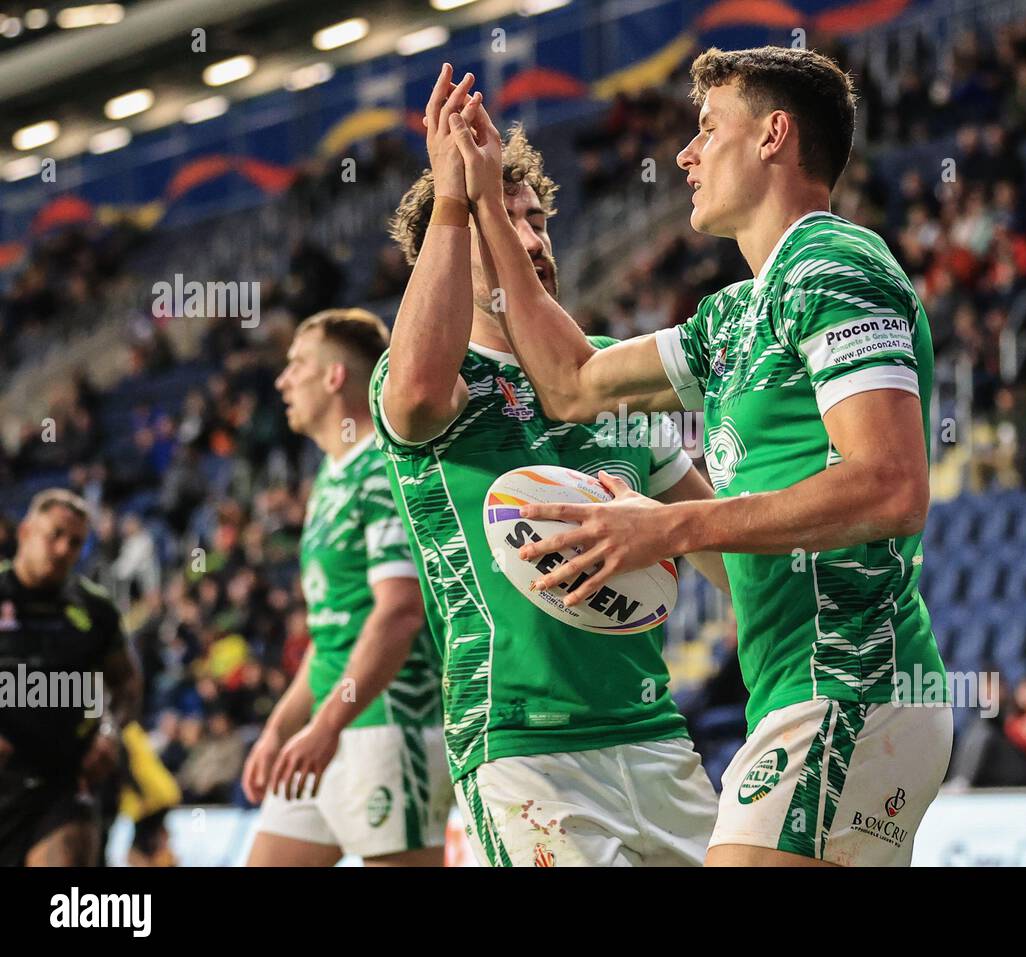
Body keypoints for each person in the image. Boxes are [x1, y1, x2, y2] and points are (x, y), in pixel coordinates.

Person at [448, 46, 951, 866]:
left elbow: (890, 487)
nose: (684, 153)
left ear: (774, 136)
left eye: (708, 128)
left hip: (851, 682)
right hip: (800, 690)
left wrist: (669, 526)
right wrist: (489, 214)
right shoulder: (734, 316)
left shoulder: (836, 267)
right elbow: (573, 383)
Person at [369, 65, 728, 867]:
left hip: (655, 733)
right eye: (509, 219)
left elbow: (720, 552)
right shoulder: (428, 382)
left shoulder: (609, 371)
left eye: (538, 221)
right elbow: (421, 389)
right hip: (522, 742)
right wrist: (460, 200)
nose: (531, 239)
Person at [242, 309, 453, 866]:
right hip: (329, 730)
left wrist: (327, 725)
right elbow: (332, 631)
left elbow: (399, 614)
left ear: (335, 377)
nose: (283, 380)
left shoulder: (383, 471)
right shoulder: (332, 479)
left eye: (297, 365)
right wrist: (281, 727)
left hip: (387, 728)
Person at [0, 489, 142, 866]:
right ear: (26, 532)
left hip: (65, 783)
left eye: (75, 542)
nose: (64, 549)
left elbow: (126, 683)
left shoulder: (96, 611)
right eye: (55, 535)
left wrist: (110, 731)